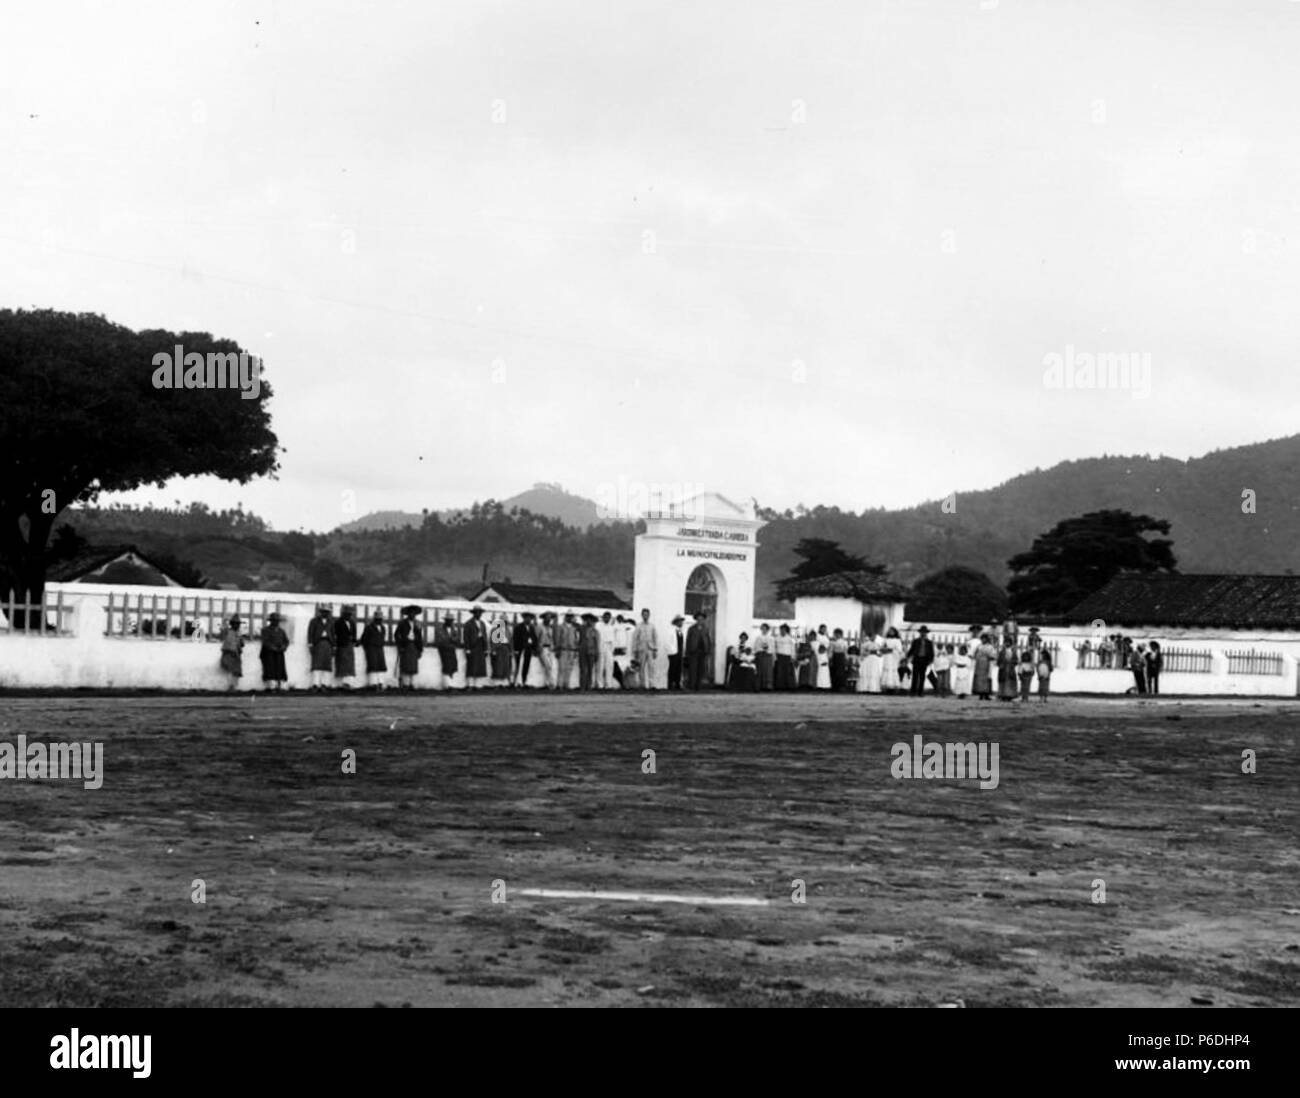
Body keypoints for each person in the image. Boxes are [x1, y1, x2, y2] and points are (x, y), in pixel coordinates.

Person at [395, 605, 424, 689]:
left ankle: (413, 684)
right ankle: (405, 684)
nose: (412, 615)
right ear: (407, 614)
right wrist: (400, 646)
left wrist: (420, 649)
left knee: (413, 666)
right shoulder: (402, 623)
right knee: (405, 666)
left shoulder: (418, 624)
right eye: (410, 613)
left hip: (414, 646)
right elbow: (396, 635)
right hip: (406, 645)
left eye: (414, 613)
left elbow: (419, 637)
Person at [258, 612, 289, 690]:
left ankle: (279, 685)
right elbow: (265, 641)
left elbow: (286, 641)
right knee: (270, 669)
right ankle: (271, 686)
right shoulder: (265, 630)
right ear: (271, 621)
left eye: (277, 621)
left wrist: (283, 647)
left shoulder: (281, 631)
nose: (276, 622)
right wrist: (273, 647)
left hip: (279, 653)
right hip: (269, 653)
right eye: (274, 620)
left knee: (280, 669)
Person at [631, 608, 659, 690]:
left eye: (647, 614)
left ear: (649, 615)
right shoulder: (638, 626)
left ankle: (652, 684)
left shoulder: (652, 626)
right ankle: (642, 684)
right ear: (642, 615)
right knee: (641, 667)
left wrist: (655, 649)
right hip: (641, 649)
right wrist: (635, 650)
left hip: (650, 648)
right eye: (644, 614)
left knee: (651, 667)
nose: (645, 616)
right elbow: (635, 638)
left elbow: (655, 638)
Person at [307, 605, 335, 690]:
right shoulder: (314, 621)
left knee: (327, 665)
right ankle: (315, 684)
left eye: (327, 612)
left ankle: (324, 684)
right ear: (320, 612)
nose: (325, 614)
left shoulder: (331, 622)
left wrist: (334, 646)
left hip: (328, 644)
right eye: (323, 612)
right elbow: (310, 633)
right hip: (318, 644)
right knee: (316, 665)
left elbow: (333, 634)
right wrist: (310, 644)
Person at [360, 609, 388, 690]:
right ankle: (373, 684)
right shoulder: (369, 627)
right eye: (377, 619)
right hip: (371, 648)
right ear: (374, 619)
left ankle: (380, 683)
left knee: (381, 666)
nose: (379, 621)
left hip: (380, 648)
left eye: (380, 619)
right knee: (373, 666)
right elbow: (364, 638)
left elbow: (382, 638)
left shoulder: (383, 628)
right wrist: (368, 648)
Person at [462, 606, 489, 689]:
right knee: (471, 665)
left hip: (481, 646)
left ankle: (478, 685)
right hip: (472, 646)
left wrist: (485, 649)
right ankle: (470, 684)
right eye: (477, 612)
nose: (478, 614)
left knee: (480, 666)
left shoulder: (482, 624)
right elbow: (466, 637)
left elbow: (485, 636)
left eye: (480, 612)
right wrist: (467, 649)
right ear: (473, 613)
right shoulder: (468, 624)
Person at [685, 612, 713, 690]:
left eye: (702, 619)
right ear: (696, 620)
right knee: (693, 669)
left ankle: (698, 686)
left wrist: (709, 650)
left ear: (704, 620)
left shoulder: (706, 629)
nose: (700, 620)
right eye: (698, 619)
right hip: (693, 651)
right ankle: (692, 686)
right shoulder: (691, 628)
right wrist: (687, 652)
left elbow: (708, 639)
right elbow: (688, 640)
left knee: (701, 669)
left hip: (703, 651)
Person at [334, 604, 358, 689]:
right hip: (342, 645)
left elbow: (354, 634)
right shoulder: (338, 622)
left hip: (350, 645)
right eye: (346, 614)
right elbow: (335, 634)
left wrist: (355, 641)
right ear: (342, 614)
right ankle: (344, 683)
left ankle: (349, 683)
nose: (348, 615)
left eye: (349, 614)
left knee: (350, 664)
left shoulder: (352, 622)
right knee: (343, 664)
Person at [511, 612, 538, 688]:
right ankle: (516, 682)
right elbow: (515, 639)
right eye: (527, 618)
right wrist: (516, 649)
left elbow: (534, 639)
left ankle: (524, 681)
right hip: (520, 649)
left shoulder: (532, 628)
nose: (528, 619)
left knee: (526, 666)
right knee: (519, 665)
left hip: (528, 650)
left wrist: (534, 648)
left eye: (530, 618)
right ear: (524, 618)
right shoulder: (518, 627)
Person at [433, 613, 460, 690]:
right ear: (445, 620)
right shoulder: (440, 629)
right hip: (444, 650)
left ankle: (451, 684)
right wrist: (450, 641)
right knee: (446, 667)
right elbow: (439, 640)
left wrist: (452, 640)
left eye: (451, 620)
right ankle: (447, 685)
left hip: (452, 650)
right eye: (448, 620)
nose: (449, 622)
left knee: (453, 666)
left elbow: (457, 639)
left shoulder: (454, 629)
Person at [907, 626, 935, 696]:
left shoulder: (929, 642)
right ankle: (913, 691)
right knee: (915, 676)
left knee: (922, 676)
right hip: (916, 659)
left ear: (926, 633)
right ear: (920, 633)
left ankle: (920, 692)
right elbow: (912, 649)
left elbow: (931, 652)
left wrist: (931, 660)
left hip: (924, 660)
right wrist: (908, 656)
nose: (923, 633)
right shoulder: (916, 641)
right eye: (922, 632)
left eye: (924, 632)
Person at [557, 611, 580, 690]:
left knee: (569, 668)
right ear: (565, 617)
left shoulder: (574, 628)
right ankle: (560, 685)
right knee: (561, 668)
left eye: (571, 616)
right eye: (568, 616)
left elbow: (576, 640)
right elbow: (558, 639)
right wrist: (558, 650)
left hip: (572, 650)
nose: (569, 618)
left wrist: (576, 651)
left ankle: (566, 685)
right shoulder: (561, 627)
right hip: (563, 649)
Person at [219, 615, 244, 690]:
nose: (236, 625)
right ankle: (230, 685)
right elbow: (222, 634)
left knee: (237, 671)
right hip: (228, 653)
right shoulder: (227, 631)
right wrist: (224, 622)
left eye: (238, 624)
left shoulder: (239, 633)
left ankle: (235, 686)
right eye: (234, 624)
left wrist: (240, 638)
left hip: (236, 654)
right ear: (231, 624)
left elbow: (242, 644)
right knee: (230, 670)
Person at [595, 611, 617, 689]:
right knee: (600, 666)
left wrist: (612, 649)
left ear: (610, 618)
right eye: (605, 617)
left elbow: (614, 639)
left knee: (609, 666)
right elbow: (597, 638)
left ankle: (608, 684)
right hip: (600, 646)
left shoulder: (612, 627)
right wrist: (597, 648)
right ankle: (599, 685)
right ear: (603, 617)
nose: (607, 618)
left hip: (609, 647)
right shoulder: (598, 626)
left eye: (608, 617)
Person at [579, 613, 600, 690]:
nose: (589, 621)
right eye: (587, 620)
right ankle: (582, 686)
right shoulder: (581, 629)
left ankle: (589, 686)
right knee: (583, 669)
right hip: (582, 651)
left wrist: (597, 653)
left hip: (592, 651)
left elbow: (597, 643)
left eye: (590, 620)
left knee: (590, 669)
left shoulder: (595, 631)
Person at [489, 615, 512, 685]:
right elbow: (492, 641)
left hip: (506, 648)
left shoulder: (508, 630)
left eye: (505, 622)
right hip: (498, 648)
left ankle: (504, 683)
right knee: (498, 666)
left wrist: (510, 651)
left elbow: (510, 641)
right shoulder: (495, 630)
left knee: (506, 665)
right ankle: (497, 683)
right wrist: (493, 650)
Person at [537, 611, 558, 689]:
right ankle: (551, 683)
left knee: (551, 666)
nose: (549, 619)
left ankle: (547, 682)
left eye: (550, 618)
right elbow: (537, 638)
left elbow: (552, 638)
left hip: (549, 648)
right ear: (544, 618)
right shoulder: (539, 627)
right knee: (547, 665)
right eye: (547, 618)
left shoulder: (550, 628)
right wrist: (538, 648)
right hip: (542, 648)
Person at [972, 635, 996, 701]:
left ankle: (986, 694)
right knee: (979, 679)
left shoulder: (990, 647)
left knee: (986, 679)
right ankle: (980, 694)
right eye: (982, 639)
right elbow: (975, 654)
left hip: (986, 663)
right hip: (979, 664)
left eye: (984, 639)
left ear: (987, 639)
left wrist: (989, 656)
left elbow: (993, 655)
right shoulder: (979, 646)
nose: (983, 640)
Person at [753, 623, 775, 691]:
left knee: (768, 671)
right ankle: (759, 686)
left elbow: (772, 647)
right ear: (761, 629)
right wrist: (761, 649)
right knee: (760, 671)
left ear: (767, 630)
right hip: (760, 655)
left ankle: (768, 686)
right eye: (762, 628)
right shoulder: (758, 637)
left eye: (765, 629)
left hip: (768, 655)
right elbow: (756, 647)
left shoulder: (771, 638)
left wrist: (768, 649)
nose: (764, 630)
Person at [774, 624, 797, 690]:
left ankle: (789, 687)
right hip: (780, 656)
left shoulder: (790, 638)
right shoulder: (777, 638)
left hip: (787, 657)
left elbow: (792, 648)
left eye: (784, 629)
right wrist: (775, 657)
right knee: (780, 672)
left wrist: (793, 657)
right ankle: (780, 687)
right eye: (781, 629)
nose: (782, 631)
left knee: (788, 672)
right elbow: (775, 648)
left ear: (786, 630)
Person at [880, 627, 903, 693]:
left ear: (895, 632)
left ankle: (893, 687)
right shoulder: (885, 640)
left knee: (892, 670)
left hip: (893, 657)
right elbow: (882, 648)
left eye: (892, 631)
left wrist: (892, 650)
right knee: (886, 670)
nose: (891, 632)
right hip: (887, 657)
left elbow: (899, 650)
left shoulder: (897, 640)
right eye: (890, 631)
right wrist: (884, 650)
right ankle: (885, 687)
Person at [666, 615, 685, 690]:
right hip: (673, 653)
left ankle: (677, 684)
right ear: (676, 622)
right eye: (680, 621)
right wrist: (671, 651)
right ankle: (670, 685)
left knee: (679, 669)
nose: (681, 623)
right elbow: (668, 642)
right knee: (672, 669)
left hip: (680, 652)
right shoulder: (671, 631)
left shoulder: (680, 631)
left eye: (681, 621)